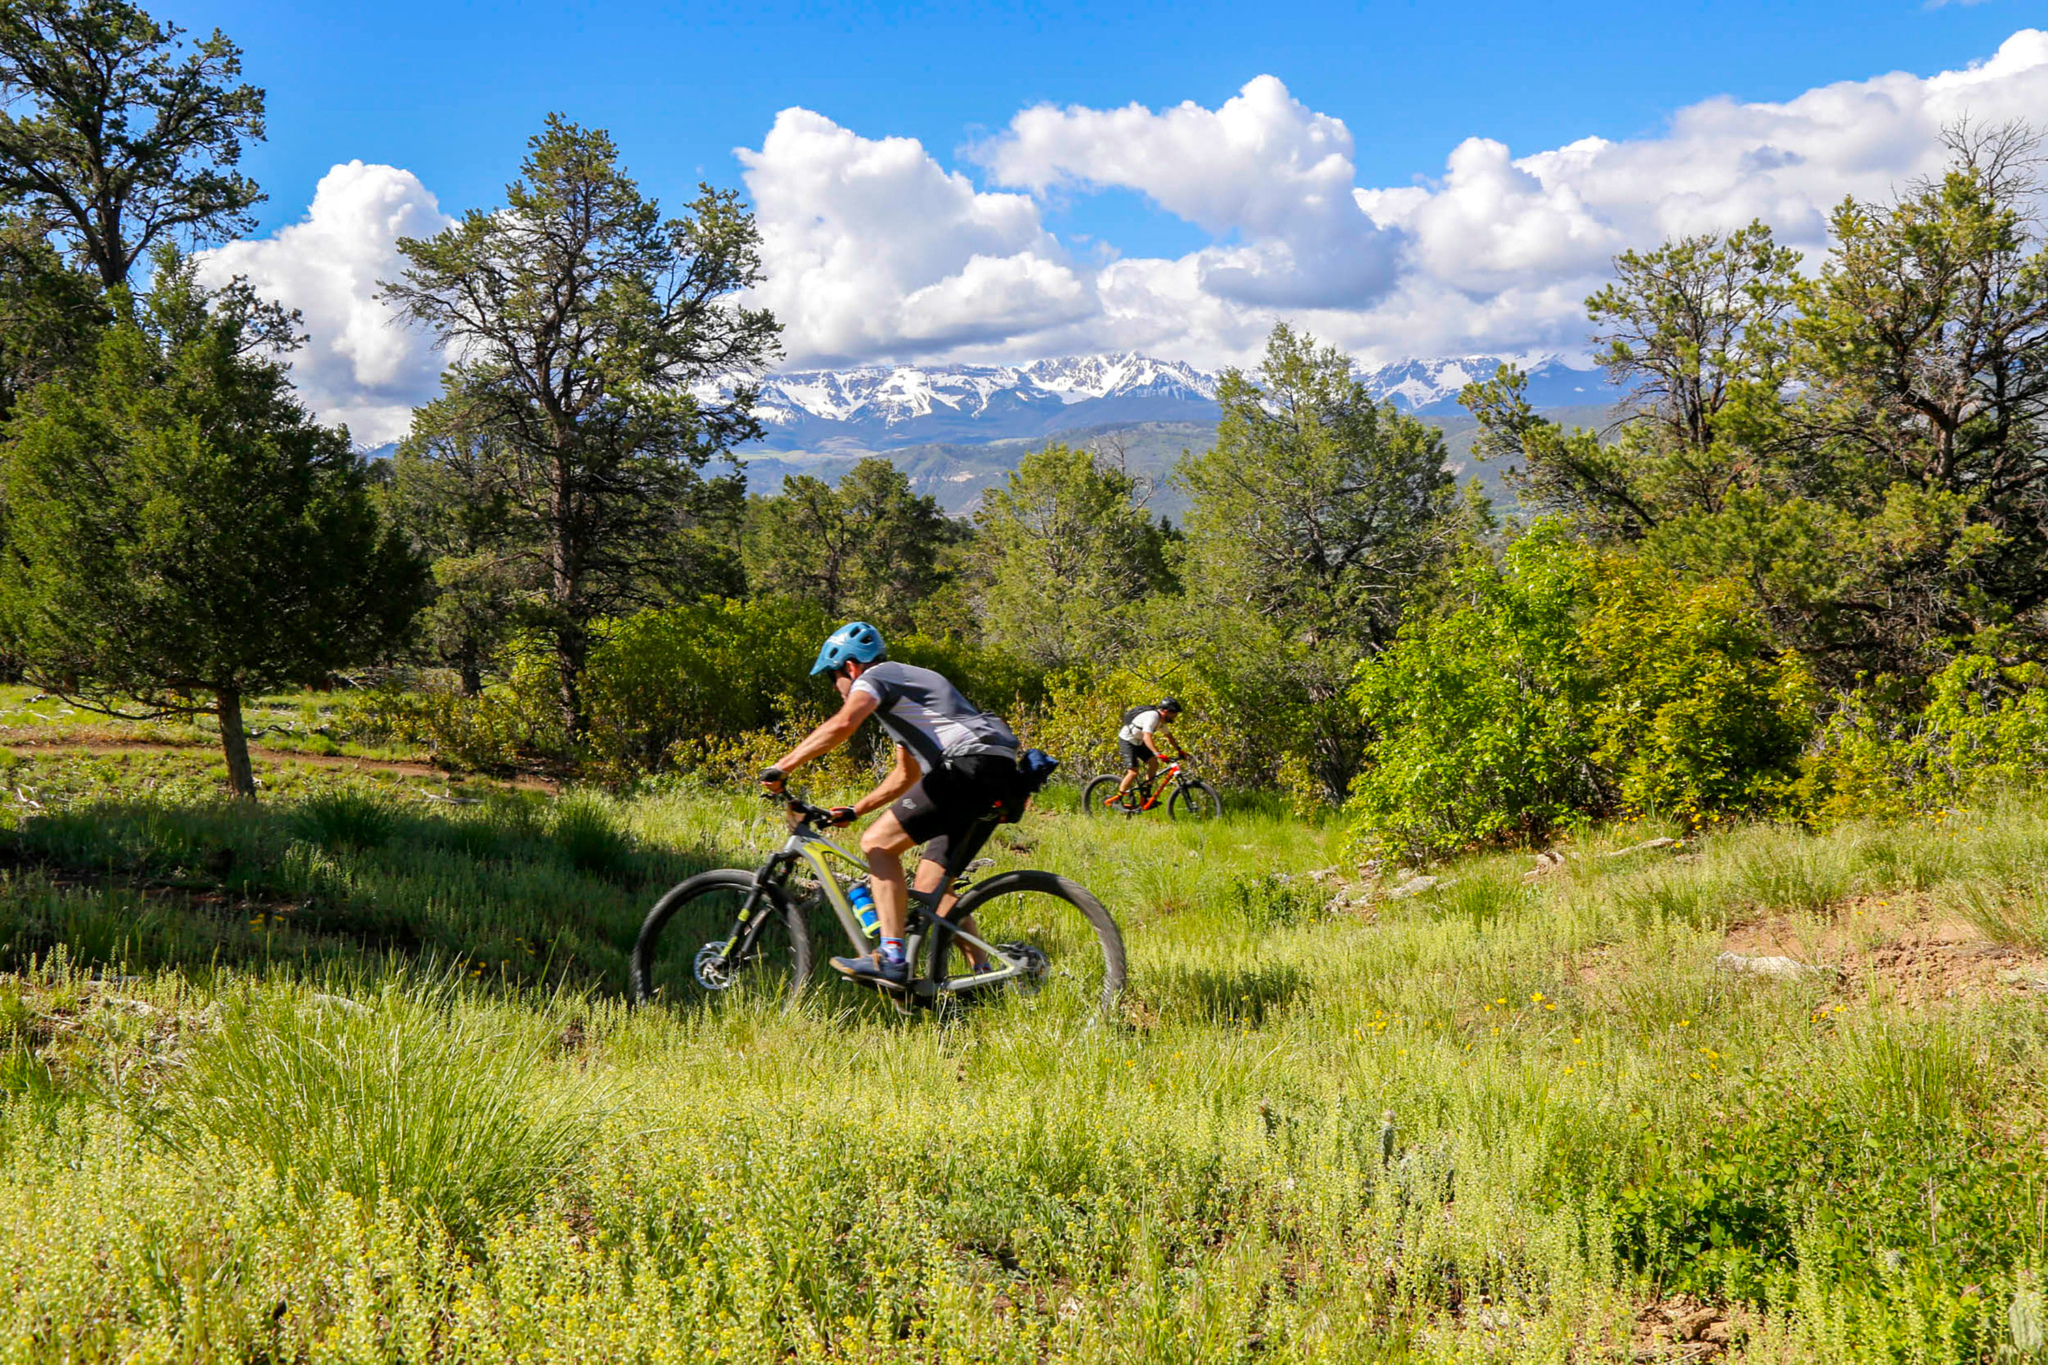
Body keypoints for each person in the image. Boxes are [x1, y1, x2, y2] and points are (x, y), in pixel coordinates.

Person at [760, 621, 1020, 989]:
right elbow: (905, 777)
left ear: (850, 667)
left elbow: (844, 723)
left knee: (876, 845)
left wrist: (783, 766)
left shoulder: (876, 677)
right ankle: (986, 977)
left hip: (966, 766)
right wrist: (854, 810)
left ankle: (892, 957)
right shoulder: (908, 693)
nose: (837, 688)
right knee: (934, 889)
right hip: (997, 773)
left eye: (834, 678)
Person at [1109, 697, 1185, 807]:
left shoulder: (1162, 722)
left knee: (1154, 762)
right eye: (1174, 713)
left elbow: (1169, 736)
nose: (1175, 716)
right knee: (1133, 772)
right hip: (1127, 740)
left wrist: (1179, 749)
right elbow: (1146, 737)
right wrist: (1157, 753)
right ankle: (1118, 798)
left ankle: (1146, 795)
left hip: (1138, 742)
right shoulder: (1153, 717)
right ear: (1166, 711)